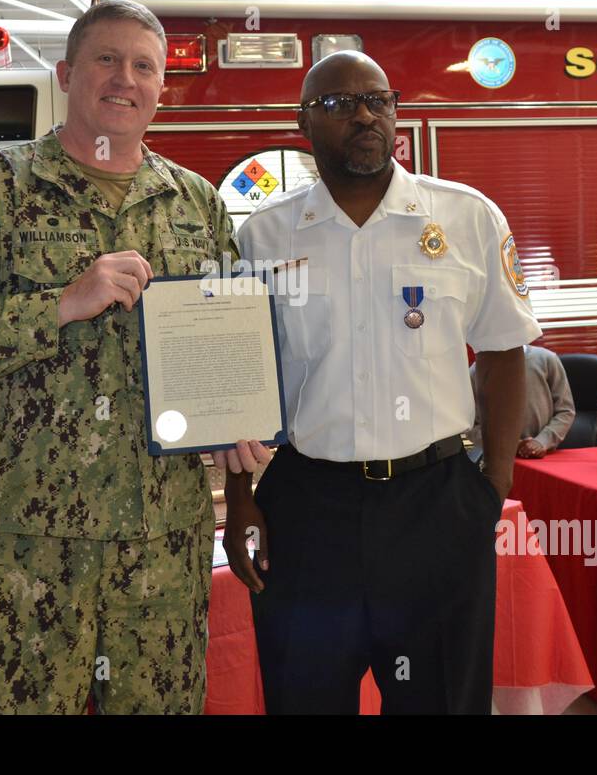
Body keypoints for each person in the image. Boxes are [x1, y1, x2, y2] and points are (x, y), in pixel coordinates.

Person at [0, 0, 269, 714]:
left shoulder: (198, 204)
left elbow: (226, 341)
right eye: (106, 59)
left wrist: (238, 424)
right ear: (67, 73)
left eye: (143, 66)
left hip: (163, 536)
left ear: (162, 88)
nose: (123, 79)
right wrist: (59, 304)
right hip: (28, 540)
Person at [223, 50, 541, 714]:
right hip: (308, 509)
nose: (365, 115)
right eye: (338, 105)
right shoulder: (266, 235)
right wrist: (239, 495)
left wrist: (496, 480)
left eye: (379, 99)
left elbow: (506, 349)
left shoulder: (466, 218)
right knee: (305, 697)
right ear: (302, 124)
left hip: (437, 504)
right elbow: (241, 374)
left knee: (441, 700)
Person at [470, 344, 575, 458]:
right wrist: (512, 445)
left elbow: (566, 411)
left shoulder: (546, 359)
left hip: (546, 457)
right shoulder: (475, 372)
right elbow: (469, 428)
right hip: (497, 459)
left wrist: (542, 441)